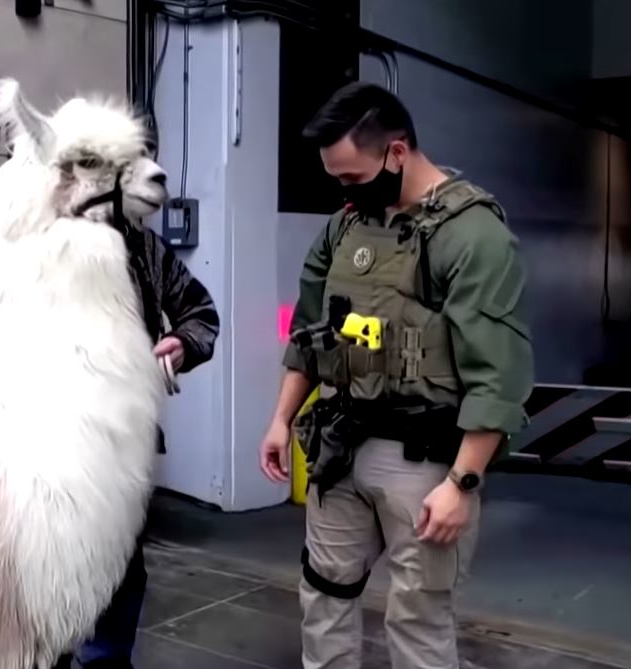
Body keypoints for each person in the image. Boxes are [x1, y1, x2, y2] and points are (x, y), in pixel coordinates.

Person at [260, 82, 533, 669]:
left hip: (425, 461)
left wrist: (462, 485)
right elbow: (310, 333)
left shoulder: (471, 234)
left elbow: (499, 377)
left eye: (353, 178)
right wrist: (281, 418)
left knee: (420, 619)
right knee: (324, 595)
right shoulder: (345, 226)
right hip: (339, 444)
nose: (344, 192)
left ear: (398, 152)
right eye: (336, 179)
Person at [55, 212, 220, 669]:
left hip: (124, 444)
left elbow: (201, 312)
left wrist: (183, 343)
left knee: (120, 567)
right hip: (52, 442)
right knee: (51, 567)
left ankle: (104, 660)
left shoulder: (143, 247)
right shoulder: (43, 242)